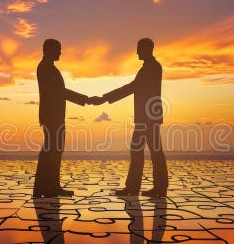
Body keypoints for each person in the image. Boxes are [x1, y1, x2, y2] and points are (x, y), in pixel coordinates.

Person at [95, 38, 168, 197]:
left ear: (147, 49)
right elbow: (133, 87)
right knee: (147, 151)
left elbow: (132, 87)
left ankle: (142, 188)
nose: (137, 53)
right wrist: (106, 98)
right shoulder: (150, 67)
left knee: (146, 151)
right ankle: (150, 187)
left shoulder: (151, 68)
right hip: (148, 117)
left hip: (148, 118)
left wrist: (105, 98)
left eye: (139, 49)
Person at [34, 38, 99, 198]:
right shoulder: (46, 68)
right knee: (51, 151)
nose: (60, 53)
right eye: (58, 49)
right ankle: (45, 188)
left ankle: (51, 186)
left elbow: (59, 91)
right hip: (51, 116)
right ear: (49, 50)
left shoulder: (48, 67)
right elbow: (59, 92)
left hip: (54, 115)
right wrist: (86, 99)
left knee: (54, 151)